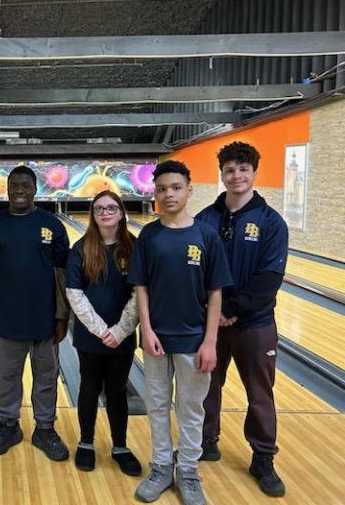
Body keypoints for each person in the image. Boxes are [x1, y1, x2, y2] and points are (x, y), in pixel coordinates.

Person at [128, 160, 232, 505]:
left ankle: (187, 469)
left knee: (191, 408)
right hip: (157, 340)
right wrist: (146, 329)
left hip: (194, 340)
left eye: (175, 187)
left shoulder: (206, 235)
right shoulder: (150, 235)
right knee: (157, 405)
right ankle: (160, 466)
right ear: (154, 193)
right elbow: (140, 285)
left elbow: (216, 290)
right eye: (161, 189)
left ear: (190, 190)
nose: (168, 194)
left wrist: (210, 341)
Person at [195, 142, 288, 497]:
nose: (236, 175)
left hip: (255, 324)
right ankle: (207, 441)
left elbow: (270, 277)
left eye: (243, 169)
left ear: (253, 172)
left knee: (260, 394)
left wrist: (232, 310)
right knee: (205, 387)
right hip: (211, 325)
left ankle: (263, 456)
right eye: (230, 169)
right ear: (222, 174)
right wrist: (213, 312)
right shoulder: (205, 219)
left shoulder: (271, 223)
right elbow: (196, 271)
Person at [0, 165, 71, 461]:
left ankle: (45, 428)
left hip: (45, 319)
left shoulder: (52, 224)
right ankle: (8, 424)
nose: (20, 190)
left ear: (35, 189)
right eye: (14, 185)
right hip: (8, 318)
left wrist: (62, 315)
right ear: (7, 189)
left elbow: (61, 274)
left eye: (25, 185)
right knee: (7, 377)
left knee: (46, 376)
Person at [65, 190, 141, 475]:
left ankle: (120, 446)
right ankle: (86, 442)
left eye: (111, 207)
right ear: (93, 214)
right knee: (88, 388)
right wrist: (101, 331)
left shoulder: (134, 248)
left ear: (121, 212)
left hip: (122, 338)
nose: (105, 212)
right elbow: (74, 293)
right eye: (99, 208)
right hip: (91, 337)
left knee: (117, 390)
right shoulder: (81, 248)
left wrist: (120, 330)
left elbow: (139, 293)